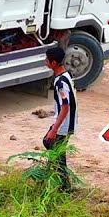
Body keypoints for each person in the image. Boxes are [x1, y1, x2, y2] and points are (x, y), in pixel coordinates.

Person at [43, 46, 77, 192]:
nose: (45, 62)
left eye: (47, 59)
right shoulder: (65, 75)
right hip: (65, 123)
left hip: (63, 125)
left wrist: (54, 129)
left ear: (54, 62)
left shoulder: (60, 82)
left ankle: (63, 185)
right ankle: (60, 181)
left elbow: (65, 106)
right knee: (56, 152)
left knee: (52, 147)